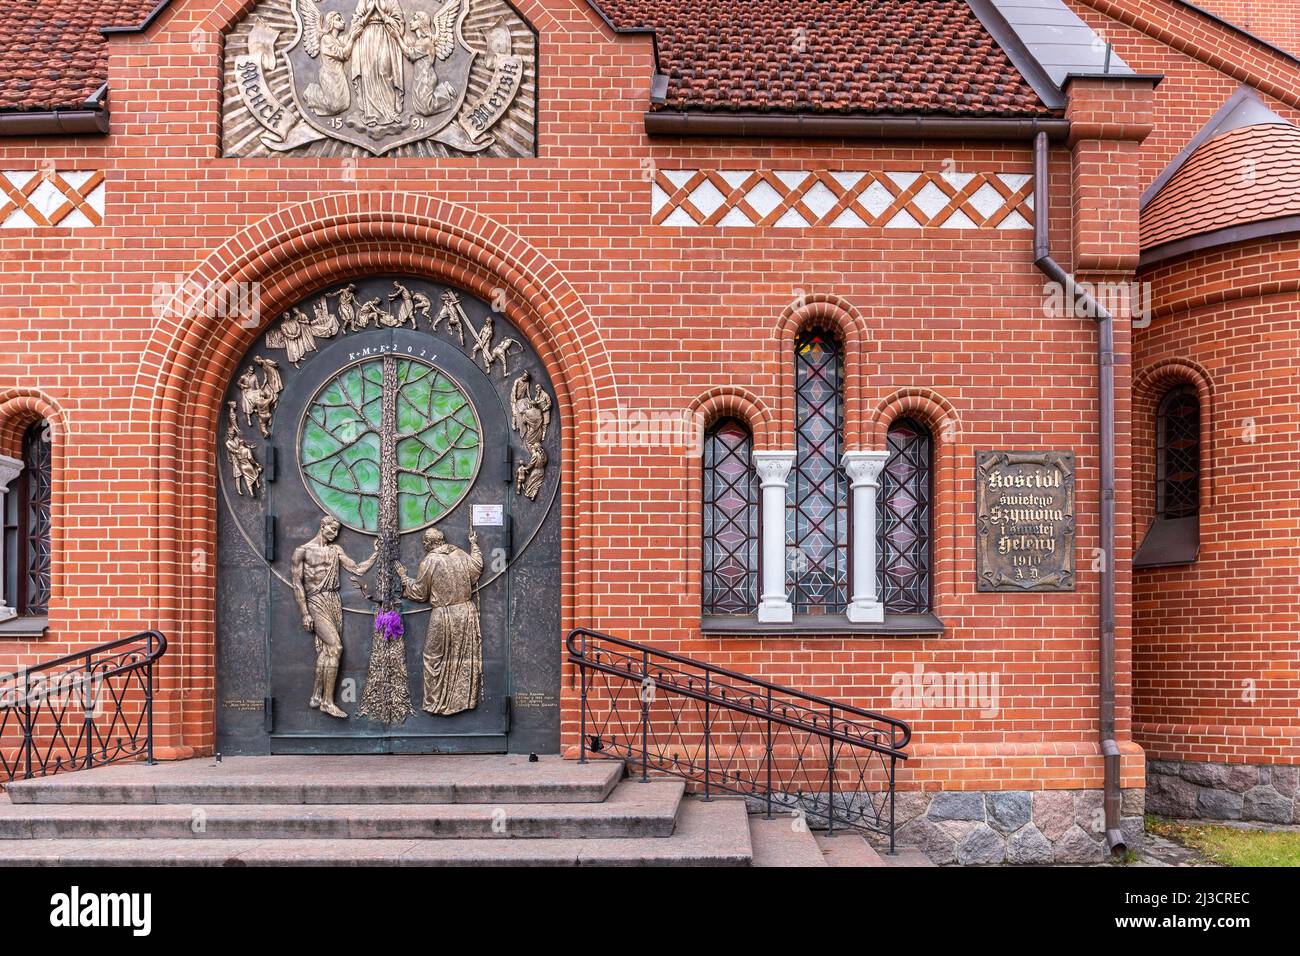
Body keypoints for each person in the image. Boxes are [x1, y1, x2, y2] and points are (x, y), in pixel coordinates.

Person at [291, 516, 379, 718]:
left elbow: (357, 569)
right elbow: (298, 585)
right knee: (335, 647)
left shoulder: (335, 550)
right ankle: (328, 702)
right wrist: (305, 613)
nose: (336, 534)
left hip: (333, 601)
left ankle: (316, 694)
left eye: (338, 530)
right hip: (315, 601)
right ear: (322, 527)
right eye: (333, 529)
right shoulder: (302, 552)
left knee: (326, 650)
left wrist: (376, 553)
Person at [395, 524, 483, 715]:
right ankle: (461, 701)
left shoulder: (430, 561)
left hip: (443, 615)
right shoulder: (459, 553)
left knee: (432, 657)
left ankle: (435, 702)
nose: (424, 544)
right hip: (466, 612)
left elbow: (419, 593)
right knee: (463, 657)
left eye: (425, 541)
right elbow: (476, 569)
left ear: (429, 543)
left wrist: (404, 578)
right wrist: (474, 545)